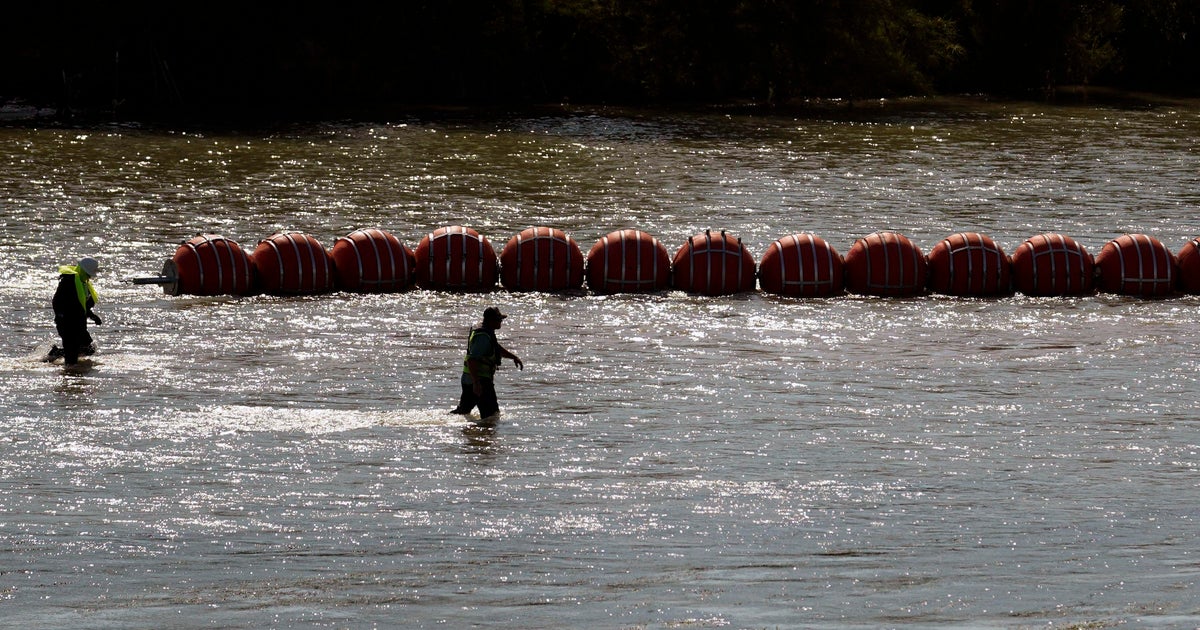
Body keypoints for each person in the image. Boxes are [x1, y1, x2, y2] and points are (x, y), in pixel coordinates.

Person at [451, 307, 523, 420]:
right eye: (499, 320)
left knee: (463, 411)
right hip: (480, 380)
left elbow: (495, 348)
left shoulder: (485, 331)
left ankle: (461, 431)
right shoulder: (482, 337)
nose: (501, 322)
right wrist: (476, 383)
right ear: (490, 320)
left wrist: (513, 357)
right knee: (492, 416)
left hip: (469, 378)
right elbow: (472, 360)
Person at [51, 256, 102, 365]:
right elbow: (56, 301)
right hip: (66, 324)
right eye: (89, 274)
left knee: (89, 348)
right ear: (84, 271)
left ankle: (55, 354)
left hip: (79, 324)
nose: (90, 277)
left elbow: (83, 306)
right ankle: (70, 378)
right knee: (71, 361)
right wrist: (60, 315)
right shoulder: (68, 281)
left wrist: (93, 316)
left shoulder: (84, 283)